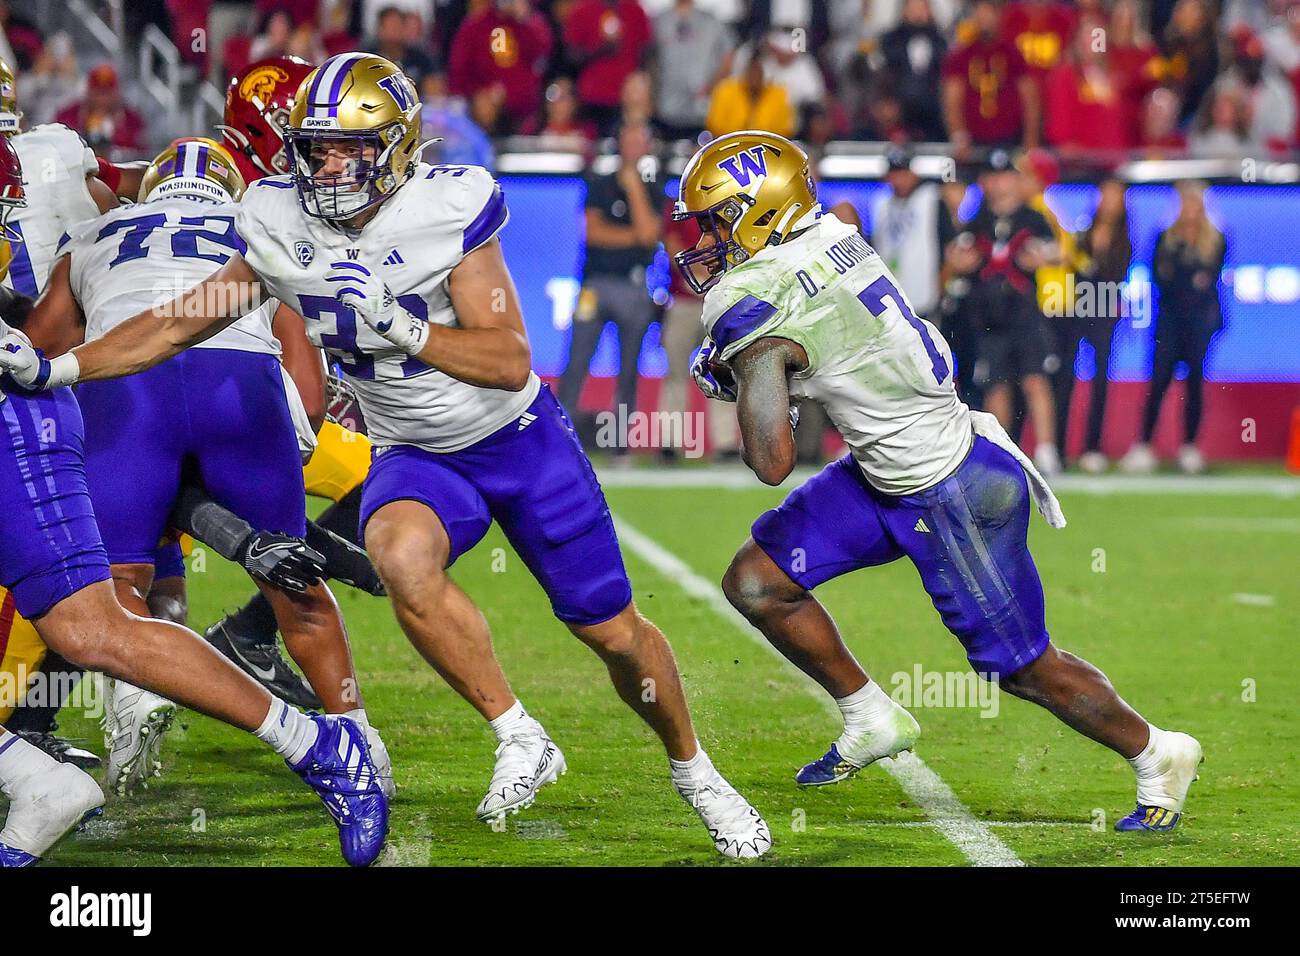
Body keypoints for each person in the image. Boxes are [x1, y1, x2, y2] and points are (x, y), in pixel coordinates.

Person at [2, 53, 770, 859]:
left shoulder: (446, 208)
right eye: (313, 148)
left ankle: (697, 773)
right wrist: (60, 367)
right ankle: (517, 732)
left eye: (346, 151)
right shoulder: (277, 218)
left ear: (397, 148)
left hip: (515, 439)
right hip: (413, 448)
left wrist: (405, 326)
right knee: (398, 554)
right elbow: (174, 323)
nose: (324, 168)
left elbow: (510, 359)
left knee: (612, 633)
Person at [673, 129, 1203, 833]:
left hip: (952, 492)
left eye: (715, 219)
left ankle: (1158, 751)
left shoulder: (754, 297)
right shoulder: (833, 232)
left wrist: (746, 372)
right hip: (888, 468)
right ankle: (870, 716)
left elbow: (769, 462)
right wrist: (759, 365)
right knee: (757, 581)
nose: (705, 237)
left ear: (758, 211)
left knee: (1021, 668)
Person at [0, 137, 388, 868]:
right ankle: (356, 737)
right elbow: (300, 370)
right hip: (240, 384)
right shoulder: (257, 224)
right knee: (292, 581)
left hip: (125, 386)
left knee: (109, 598)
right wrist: (284, 454)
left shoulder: (99, 233)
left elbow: (40, 346)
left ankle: (110, 712)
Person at [949, 149, 1061, 475]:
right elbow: (957, 254)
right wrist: (957, 262)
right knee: (995, 385)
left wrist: (1042, 256)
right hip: (987, 316)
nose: (999, 184)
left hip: (1024, 314)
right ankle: (1002, 452)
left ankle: (1047, 451)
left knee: (1035, 380)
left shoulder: (1033, 217)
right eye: (993, 177)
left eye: (1005, 177)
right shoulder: (978, 219)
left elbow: (1055, 251)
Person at [557, 121, 664, 440]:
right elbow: (594, 233)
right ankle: (562, 435)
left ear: (647, 147)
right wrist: (633, 236)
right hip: (595, 284)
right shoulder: (599, 183)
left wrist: (633, 187)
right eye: (628, 138)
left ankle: (620, 441)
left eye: (639, 140)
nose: (633, 146)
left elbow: (649, 235)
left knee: (629, 367)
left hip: (634, 286)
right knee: (576, 361)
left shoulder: (652, 188)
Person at [1120, 181, 1225, 475]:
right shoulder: (1164, 238)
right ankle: (1143, 445)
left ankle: (1189, 446)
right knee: (1159, 382)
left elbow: (1207, 280)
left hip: (1199, 324)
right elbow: (1163, 280)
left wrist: (1186, 279)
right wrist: (1188, 278)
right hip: (1168, 322)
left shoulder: (1216, 239)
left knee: (1194, 385)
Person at [1060, 178, 1131, 472]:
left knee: (1100, 378)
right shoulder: (1082, 233)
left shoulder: (1124, 238)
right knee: (1065, 377)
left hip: (1103, 312)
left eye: (1116, 196)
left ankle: (1092, 447)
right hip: (1077, 310)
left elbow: (1116, 276)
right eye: (1106, 195)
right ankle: (1058, 447)